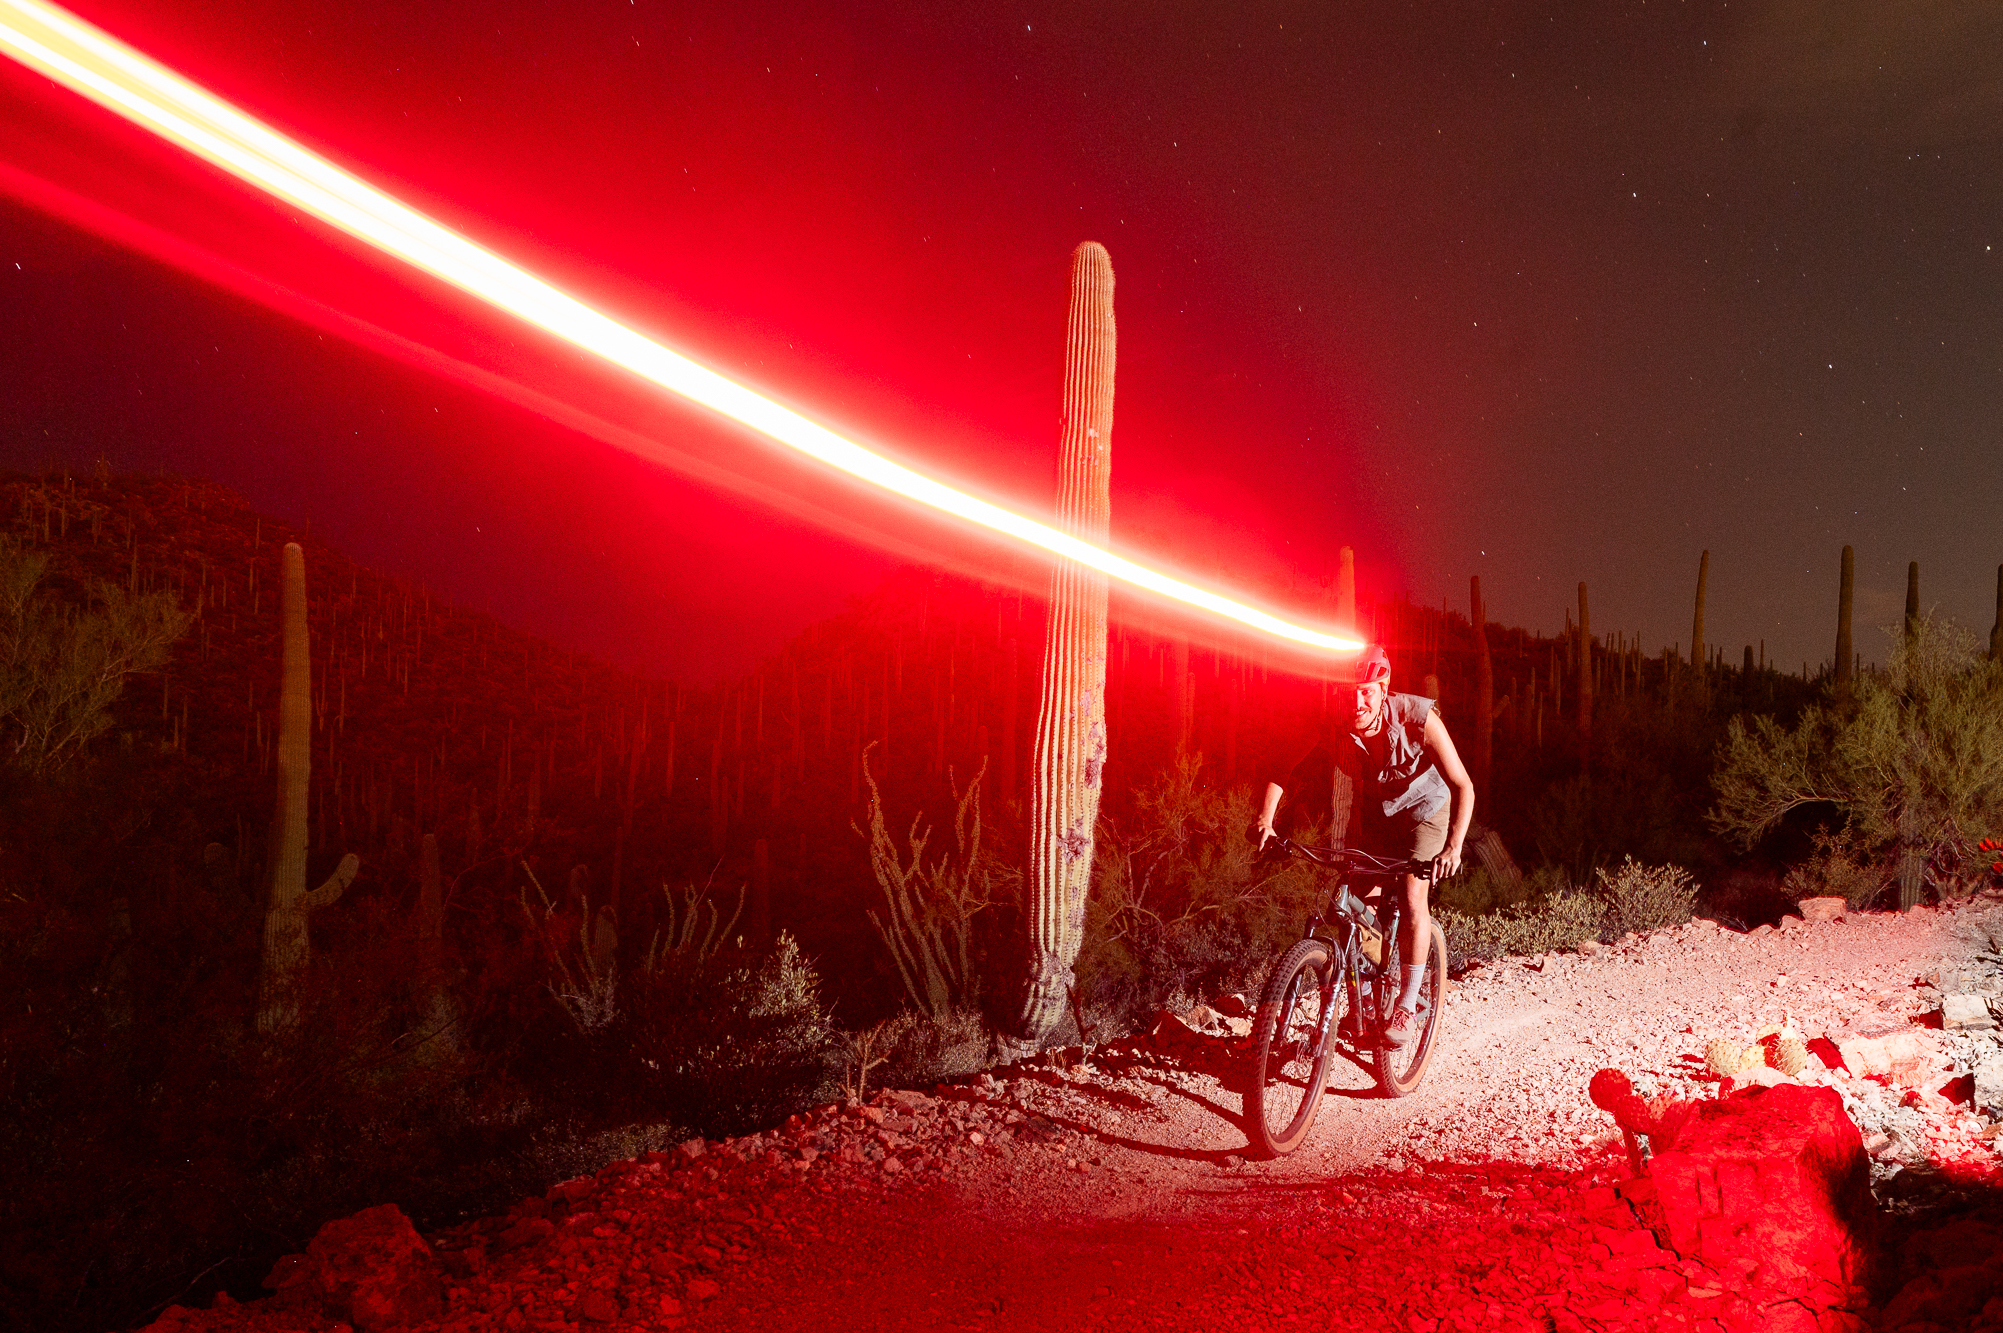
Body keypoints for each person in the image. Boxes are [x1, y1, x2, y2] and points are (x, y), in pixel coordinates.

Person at [1254, 644, 1475, 1045]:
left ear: (1383, 688)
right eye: (1348, 692)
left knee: (1411, 895)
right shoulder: (1331, 722)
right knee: (1354, 900)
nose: (1356, 701)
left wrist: (1454, 847)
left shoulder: (1420, 719)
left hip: (1426, 810)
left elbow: (1463, 786)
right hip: (1377, 811)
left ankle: (1407, 1005)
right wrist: (1265, 820)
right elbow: (1282, 763)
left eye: (1366, 691)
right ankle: (1369, 992)